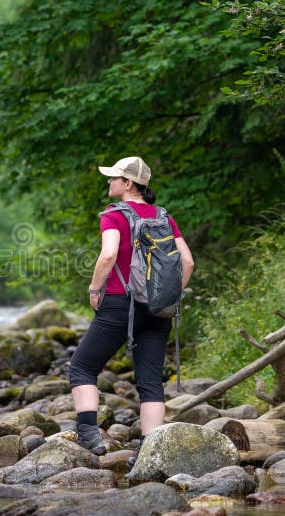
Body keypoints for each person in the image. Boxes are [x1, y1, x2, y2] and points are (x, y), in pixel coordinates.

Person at [68, 156, 194, 462]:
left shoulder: (114, 215)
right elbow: (187, 262)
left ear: (128, 184)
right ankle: (150, 450)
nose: (109, 182)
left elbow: (108, 255)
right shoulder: (163, 216)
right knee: (150, 381)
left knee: (82, 367)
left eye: (114, 178)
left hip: (119, 303)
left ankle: (89, 436)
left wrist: (95, 289)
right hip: (157, 308)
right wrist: (166, 297)